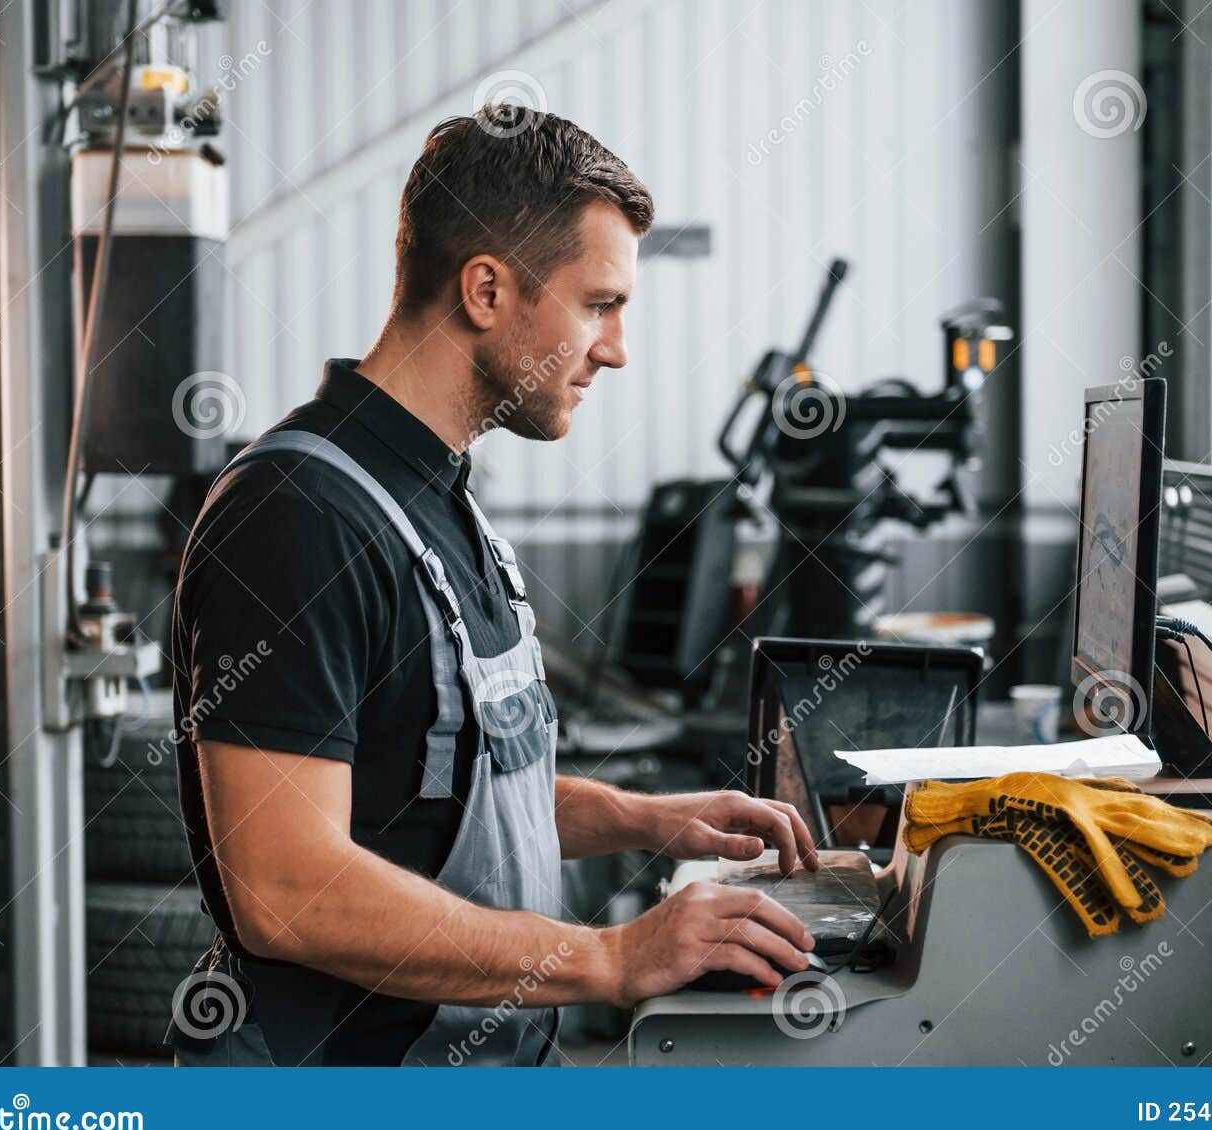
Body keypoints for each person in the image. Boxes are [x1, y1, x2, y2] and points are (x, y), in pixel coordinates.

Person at [169, 105, 820, 1067]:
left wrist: (647, 819)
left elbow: (438, 799)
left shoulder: (437, 498)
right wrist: (611, 956)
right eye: (598, 303)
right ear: (485, 289)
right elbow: (285, 888)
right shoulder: (299, 515)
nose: (617, 347)